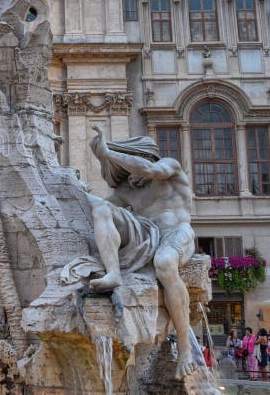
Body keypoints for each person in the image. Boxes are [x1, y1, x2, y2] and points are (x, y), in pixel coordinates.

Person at [77, 128, 197, 379]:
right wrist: (71, 185)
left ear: (140, 155)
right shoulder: (125, 191)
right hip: (148, 234)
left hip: (177, 232)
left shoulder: (168, 168)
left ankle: (185, 348)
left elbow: (151, 171)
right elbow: (99, 204)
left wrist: (109, 152)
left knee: (164, 262)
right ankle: (113, 273)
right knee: (101, 209)